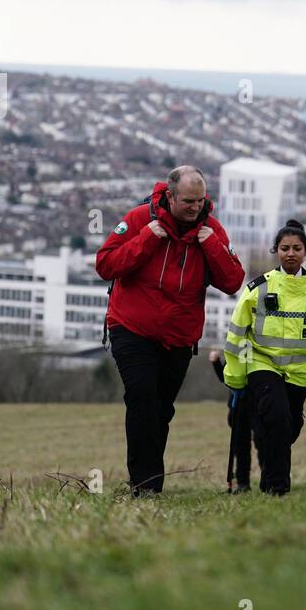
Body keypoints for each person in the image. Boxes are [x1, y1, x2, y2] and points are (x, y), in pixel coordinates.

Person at [96, 166, 244, 495]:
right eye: (188, 201)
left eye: (200, 201)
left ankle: (148, 481)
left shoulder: (212, 230)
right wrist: (148, 237)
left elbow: (233, 280)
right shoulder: (138, 220)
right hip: (131, 327)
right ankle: (146, 484)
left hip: (179, 336)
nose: (195, 207)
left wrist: (212, 247)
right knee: (142, 399)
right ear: (170, 196)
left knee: (162, 408)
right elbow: (106, 264)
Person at [223, 220, 306, 495]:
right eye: (285, 248)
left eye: (296, 248)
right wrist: (235, 375)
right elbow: (237, 333)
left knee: (288, 426)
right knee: (276, 417)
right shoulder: (258, 289)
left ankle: (268, 474)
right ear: (276, 250)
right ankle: (278, 487)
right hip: (262, 365)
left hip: (299, 372)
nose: (290, 253)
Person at [209, 349, 253, 494]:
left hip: (257, 402)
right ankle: (242, 483)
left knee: (263, 442)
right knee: (240, 447)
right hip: (237, 406)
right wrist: (216, 363)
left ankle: (269, 480)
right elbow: (226, 377)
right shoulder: (235, 348)